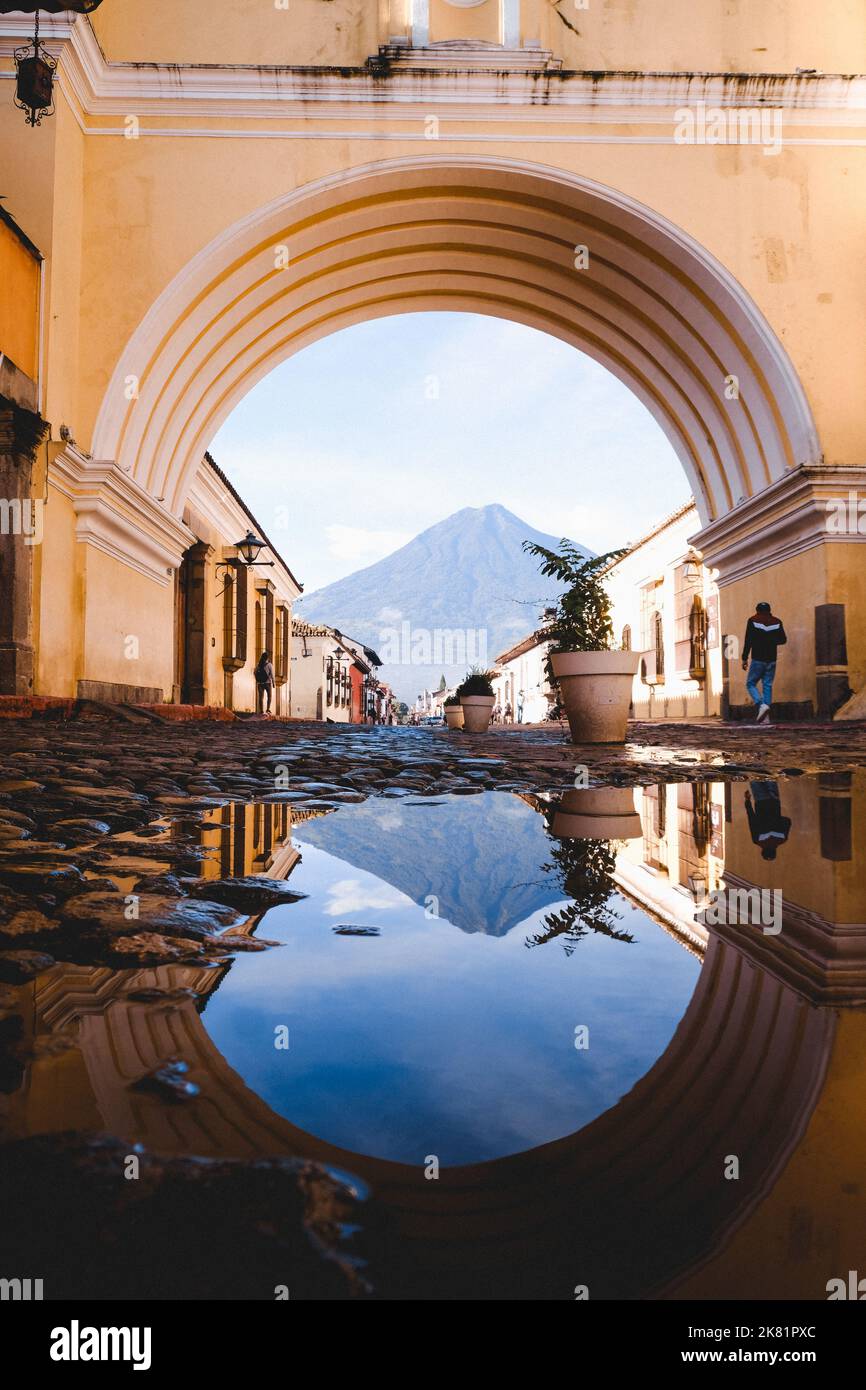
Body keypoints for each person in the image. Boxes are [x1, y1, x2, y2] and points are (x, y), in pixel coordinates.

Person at [741, 601, 787, 724]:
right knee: (767, 685)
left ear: (757, 610)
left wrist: (744, 658)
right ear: (769, 610)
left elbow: (748, 640)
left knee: (750, 683)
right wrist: (771, 641)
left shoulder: (752, 620)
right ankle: (766, 718)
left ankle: (761, 705)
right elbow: (783, 640)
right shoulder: (777, 622)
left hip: (758, 658)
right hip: (771, 659)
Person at [745, 782, 791, 860]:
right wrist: (747, 801)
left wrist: (777, 820)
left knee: (770, 776)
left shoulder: (782, 839)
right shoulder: (757, 840)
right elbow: (752, 820)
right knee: (755, 777)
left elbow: (787, 821)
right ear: (762, 851)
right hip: (761, 802)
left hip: (774, 802)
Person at [254, 649, 275, 714]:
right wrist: (274, 683)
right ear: (267, 658)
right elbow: (272, 674)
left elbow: (254, 672)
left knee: (261, 697)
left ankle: (261, 711)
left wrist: (257, 679)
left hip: (260, 683)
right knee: (269, 696)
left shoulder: (259, 664)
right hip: (268, 683)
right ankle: (268, 709)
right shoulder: (269, 665)